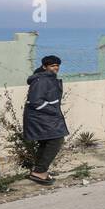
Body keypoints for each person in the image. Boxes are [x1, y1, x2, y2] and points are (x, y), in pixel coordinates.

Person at [23, 56, 68, 186]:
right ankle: (39, 171)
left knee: (46, 141)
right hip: (43, 117)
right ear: (45, 67)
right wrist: (53, 110)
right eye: (52, 66)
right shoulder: (42, 80)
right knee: (56, 139)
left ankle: (38, 171)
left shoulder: (46, 78)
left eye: (57, 65)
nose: (56, 68)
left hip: (45, 117)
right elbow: (35, 100)